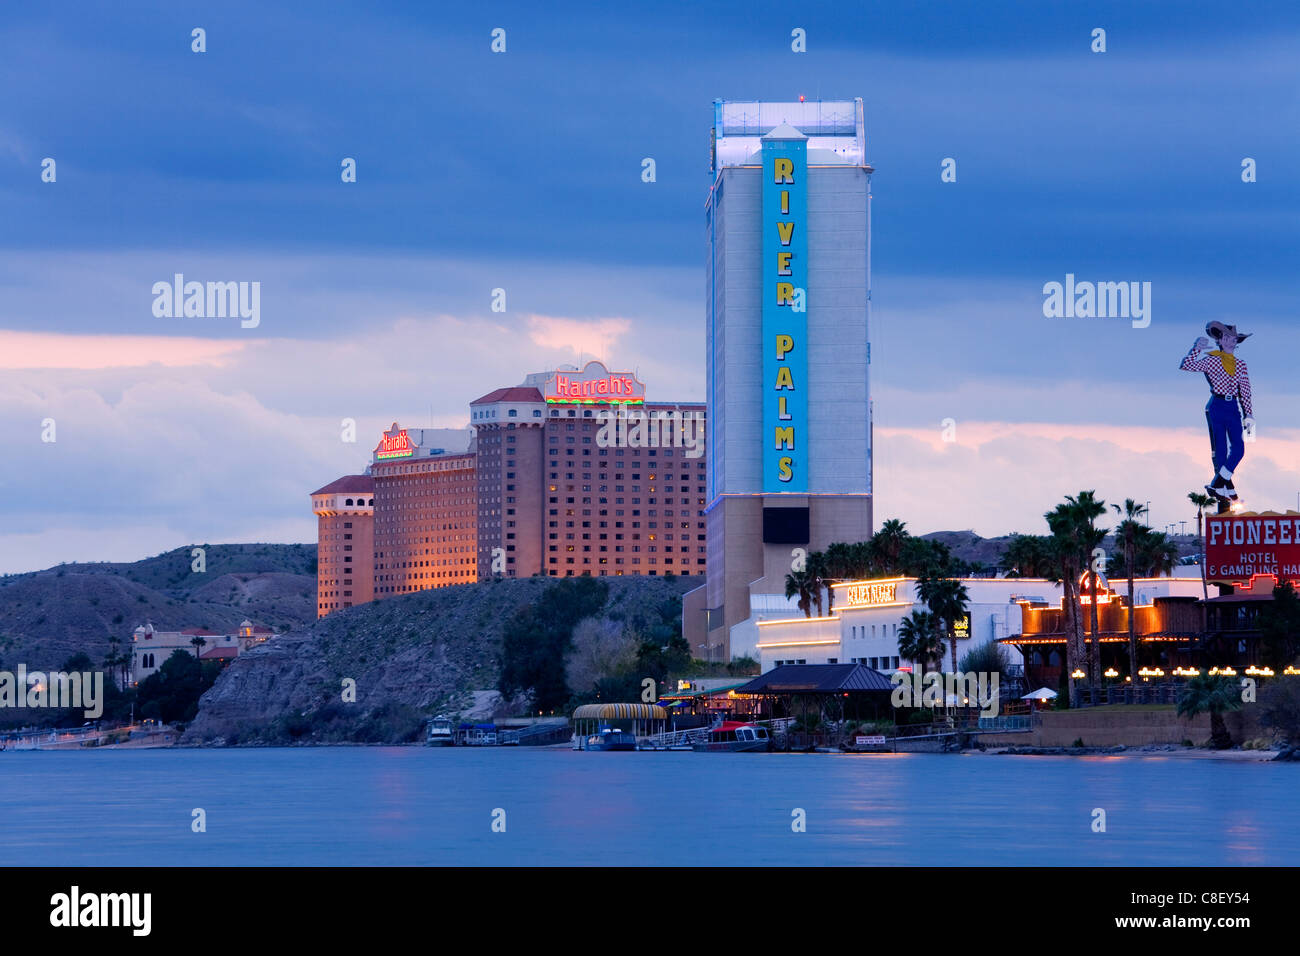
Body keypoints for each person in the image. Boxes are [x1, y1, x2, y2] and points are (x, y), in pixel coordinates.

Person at [1179, 321, 1254, 502]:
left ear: (1237, 342)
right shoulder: (1212, 360)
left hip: (1233, 406)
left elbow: (1245, 390)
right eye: (1226, 338)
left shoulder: (1241, 365)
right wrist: (1196, 348)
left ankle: (1218, 484)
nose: (1230, 342)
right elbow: (1186, 365)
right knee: (1219, 449)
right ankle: (1226, 488)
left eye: (1233, 339)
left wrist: (1249, 414)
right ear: (1220, 340)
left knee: (1239, 448)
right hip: (1217, 405)